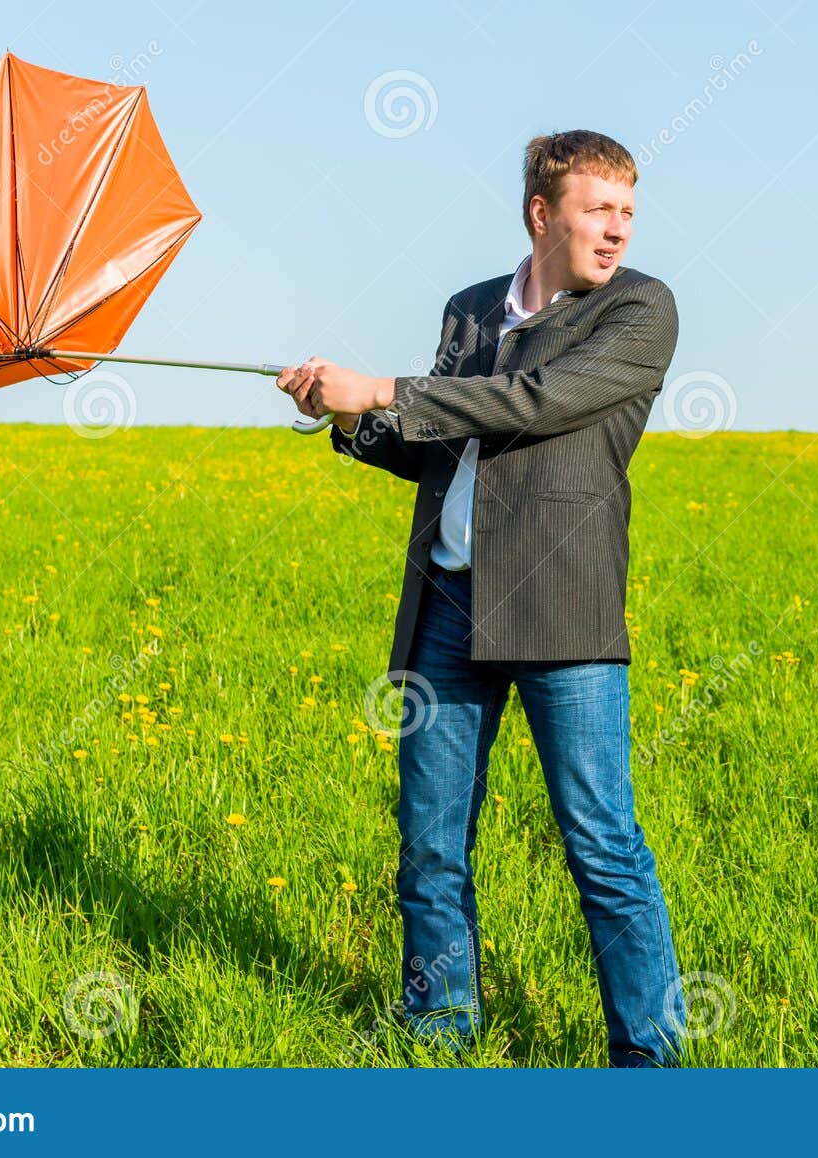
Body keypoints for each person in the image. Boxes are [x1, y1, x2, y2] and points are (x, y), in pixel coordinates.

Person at [277, 130, 686, 1067]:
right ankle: (439, 1038)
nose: (618, 229)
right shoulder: (469, 311)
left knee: (602, 846)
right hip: (450, 605)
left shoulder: (638, 310)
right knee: (428, 844)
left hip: (564, 614)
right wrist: (348, 417)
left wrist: (383, 385)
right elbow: (437, 447)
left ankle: (650, 1061)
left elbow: (533, 402)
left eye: (627, 211)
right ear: (542, 214)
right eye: (598, 209)